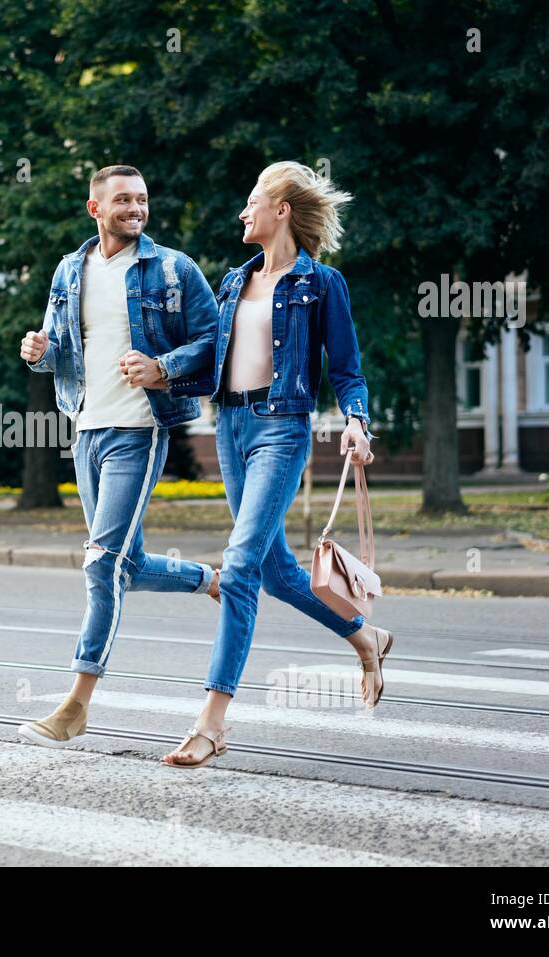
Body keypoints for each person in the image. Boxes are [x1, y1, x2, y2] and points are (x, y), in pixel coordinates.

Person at [162, 161, 395, 769]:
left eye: (251, 202)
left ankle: (212, 721)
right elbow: (210, 354)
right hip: (230, 427)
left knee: (237, 568)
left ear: (282, 209)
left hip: (280, 429)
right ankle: (366, 637)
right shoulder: (234, 281)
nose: (243, 213)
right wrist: (159, 368)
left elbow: (345, 368)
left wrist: (356, 421)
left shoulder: (320, 284)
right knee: (274, 573)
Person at [16, 164, 221, 748]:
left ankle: (76, 703)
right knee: (119, 562)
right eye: (124, 199)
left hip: (140, 428)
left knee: (101, 564)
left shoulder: (174, 268)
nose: (136, 208)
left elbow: (213, 341)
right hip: (86, 429)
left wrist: (164, 369)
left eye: (142, 199)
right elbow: (61, 351)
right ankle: (213, 580)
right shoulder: (69, 270)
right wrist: (38, 352)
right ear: (95, 208)